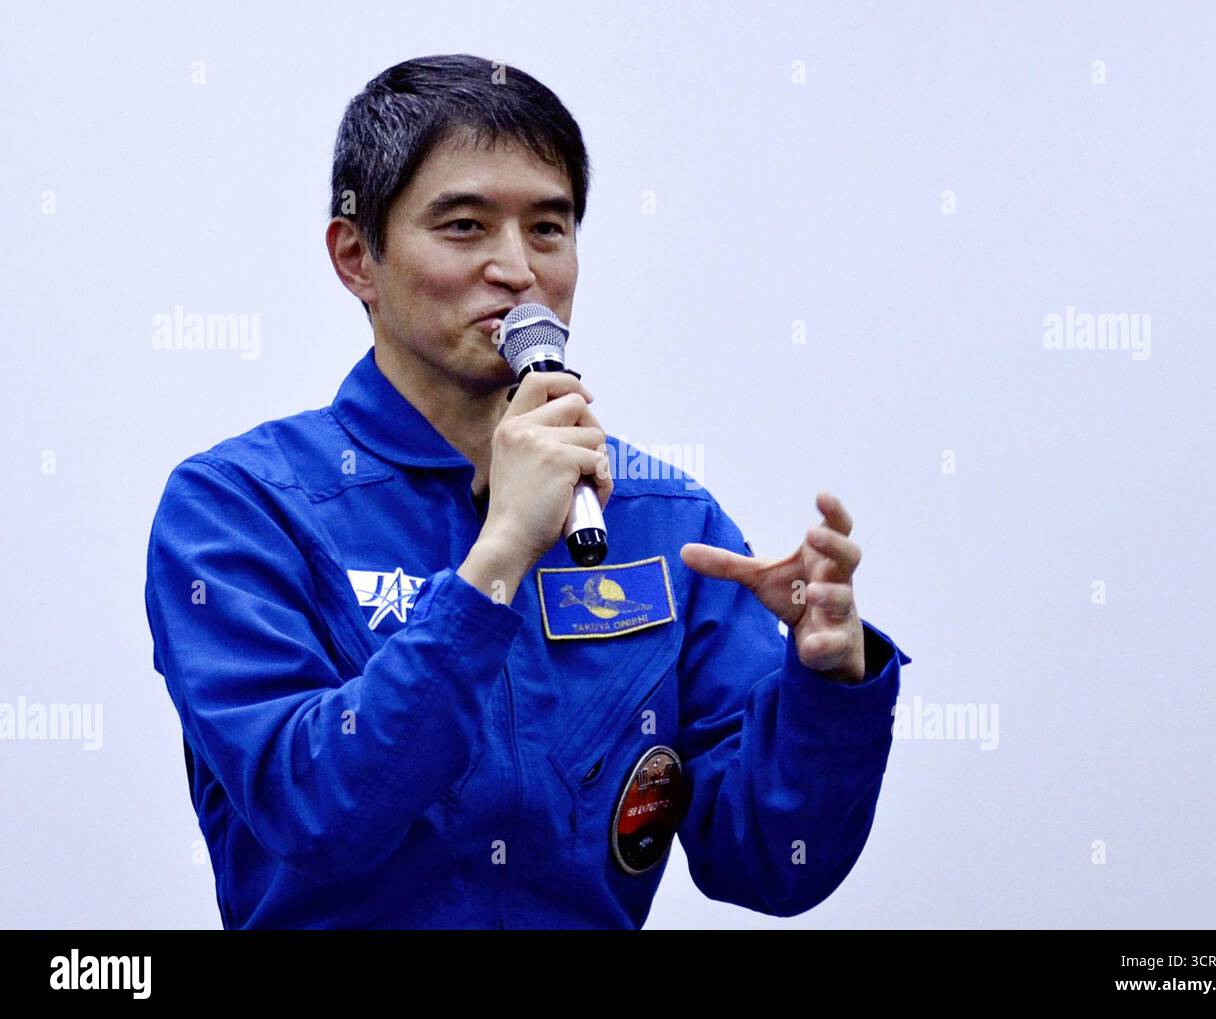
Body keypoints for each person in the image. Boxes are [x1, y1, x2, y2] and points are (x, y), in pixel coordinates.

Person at [143, 53, 912, 930]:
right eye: (466, 227)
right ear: (357, 256)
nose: (517, 268)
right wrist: (497, 555)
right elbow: (319, 808)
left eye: (549, 229)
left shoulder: (662, 517)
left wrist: (827, 681)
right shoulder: (238, 508)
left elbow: (774, 864)